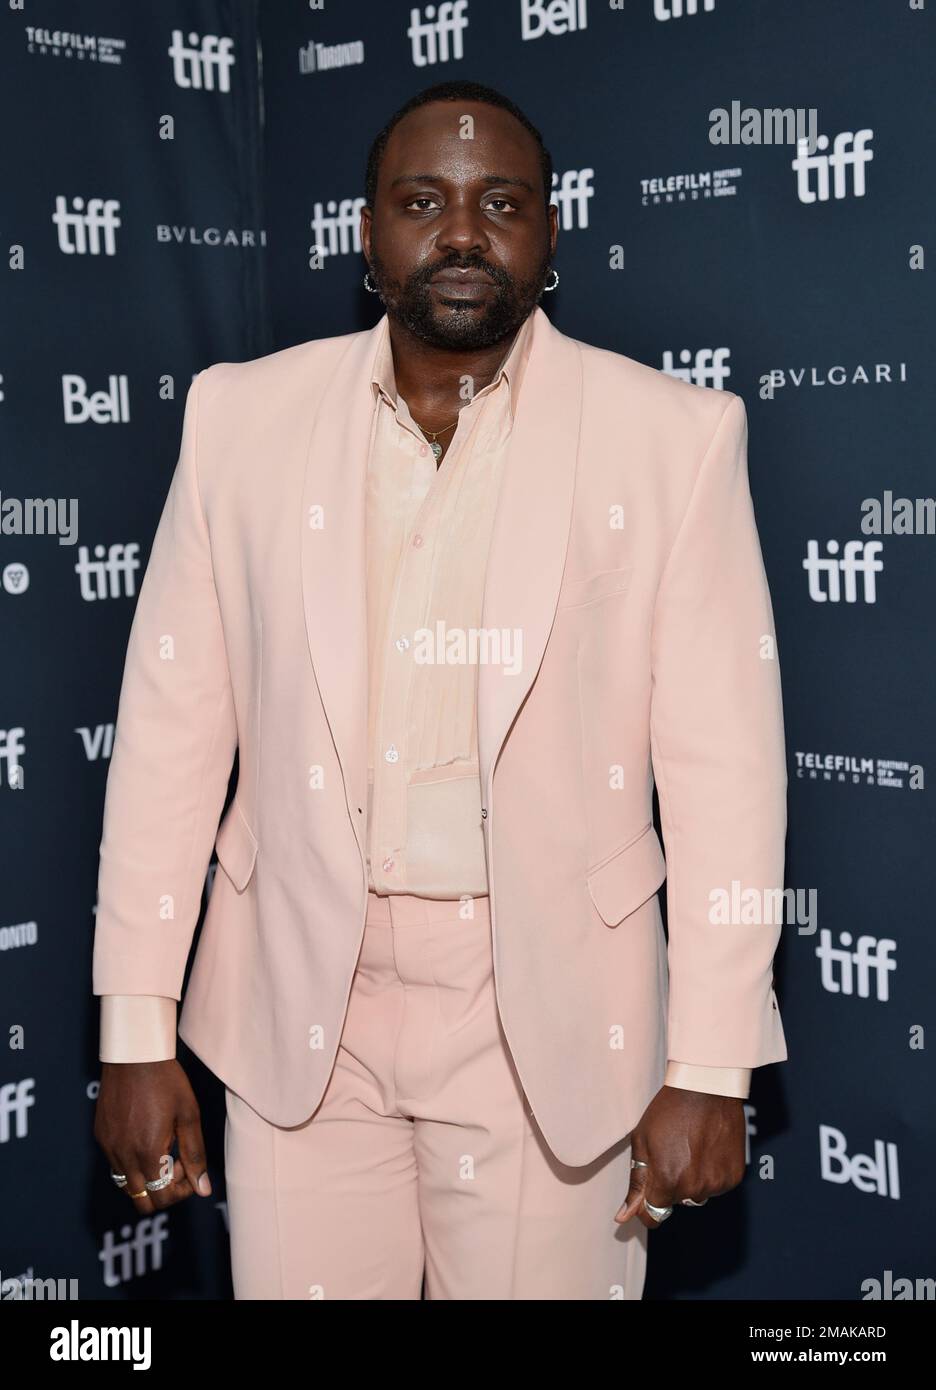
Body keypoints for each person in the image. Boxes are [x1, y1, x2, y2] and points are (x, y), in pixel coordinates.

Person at [92, 80, 788, 1300]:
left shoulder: (673, 439)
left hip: (545, 1022)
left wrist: (715, 1063)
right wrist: (137, 1033)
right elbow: (170, 741)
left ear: (551, 235)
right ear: (366, 237)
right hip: (299, 1004)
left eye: (500, 203)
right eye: (423, 201)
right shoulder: (237, 421)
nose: (462, 233)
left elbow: (728, 772)